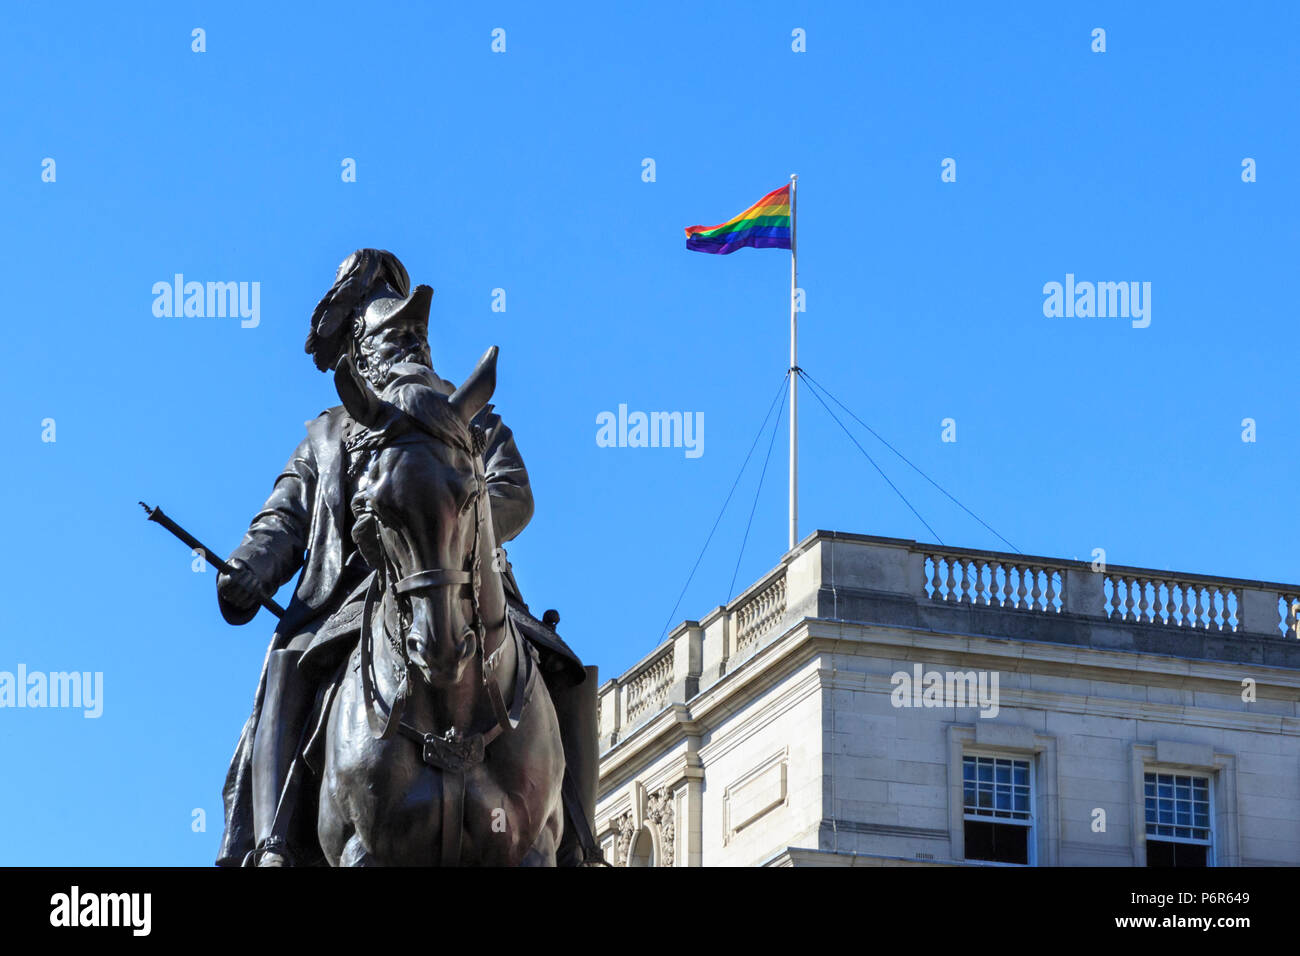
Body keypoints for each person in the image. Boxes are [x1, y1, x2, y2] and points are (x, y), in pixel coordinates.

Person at [215, 249, 598, 866]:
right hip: (358, 595)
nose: (403, 351)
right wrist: (250, 565)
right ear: (361, 355)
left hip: (467, 578)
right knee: (290, 664)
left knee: (564, 669)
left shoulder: (468, 417)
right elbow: (283, 518)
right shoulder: (327, 436)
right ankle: (274, 845)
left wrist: (458, 528)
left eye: (410, 338)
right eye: (387, 341)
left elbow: (515, 495)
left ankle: (580, 841)